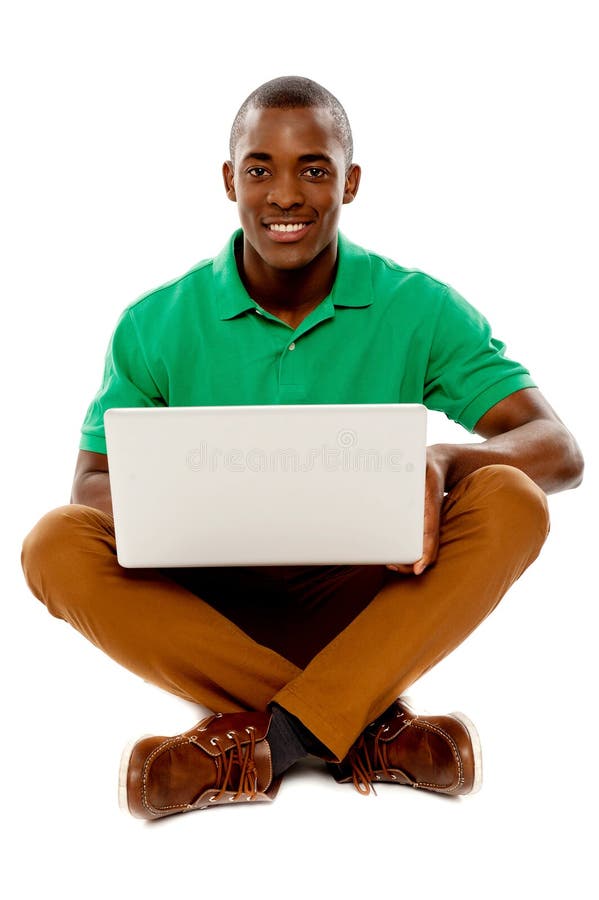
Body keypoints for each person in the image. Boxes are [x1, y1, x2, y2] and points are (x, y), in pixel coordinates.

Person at [21, 75, 583, 820]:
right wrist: (211, 505)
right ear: (229, 180)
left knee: (511, 497)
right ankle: (361, 724)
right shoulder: (155, 322)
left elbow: (557, 449)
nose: (284, 194)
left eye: (312, 169)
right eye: (260, 169)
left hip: (375, 594)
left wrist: (444, 462)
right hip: (210, 605)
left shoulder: (414, 305)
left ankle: (266, 741)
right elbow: (89, 487)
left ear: (349, 181)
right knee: (52, 545)